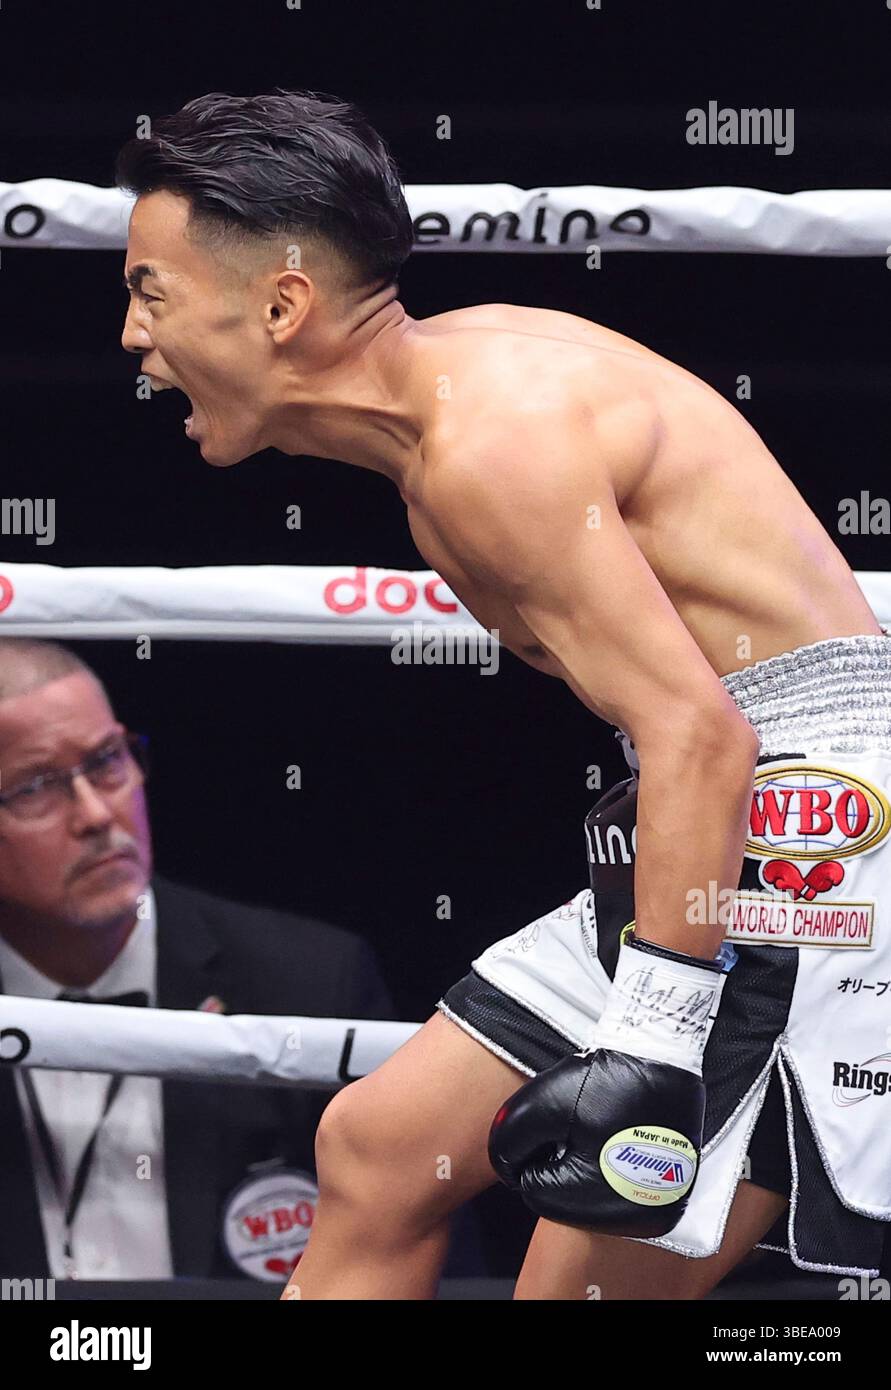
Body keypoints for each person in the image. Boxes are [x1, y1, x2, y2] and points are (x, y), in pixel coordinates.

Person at [115, 89, 891, 1300]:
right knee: (376, 1151)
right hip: (737, 820)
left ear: (280, 304)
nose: (131, 336)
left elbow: (702, 732)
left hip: (818, 839)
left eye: (151, 292)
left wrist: (652, 1043)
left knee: (579, 1290)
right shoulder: (456, 406)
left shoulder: (490, 448)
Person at [0, 638, 406, 1282]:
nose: (97, 813)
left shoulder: (310, 984)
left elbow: (409, 1271)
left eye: (107, 760)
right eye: (36, 788)